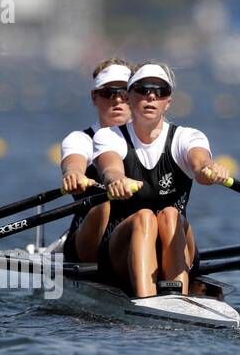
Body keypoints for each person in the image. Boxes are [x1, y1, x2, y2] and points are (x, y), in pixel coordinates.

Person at [90, 62, 230, 298]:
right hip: (119, 253)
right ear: (129, 97)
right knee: (145, 217)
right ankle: (147, 300)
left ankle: (178, 301)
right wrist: (116, 179)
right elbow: (110, 167)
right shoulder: (109, 137)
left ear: (168, 102)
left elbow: (200, 164)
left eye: (160, 90)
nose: (151, 96)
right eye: (143, 89)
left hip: (176, 242)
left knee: (170, 214)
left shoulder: (187, 137)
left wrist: (208, 169)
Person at [56, 58, 134, 263]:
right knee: (104, 202)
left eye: (125, 93)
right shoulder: (80, 139)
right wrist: (73, 174)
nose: (117, 100)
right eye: (109, 93)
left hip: (137, 235)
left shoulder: (150, 142)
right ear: (95, 96)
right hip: (89, 247)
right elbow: (74, 162)